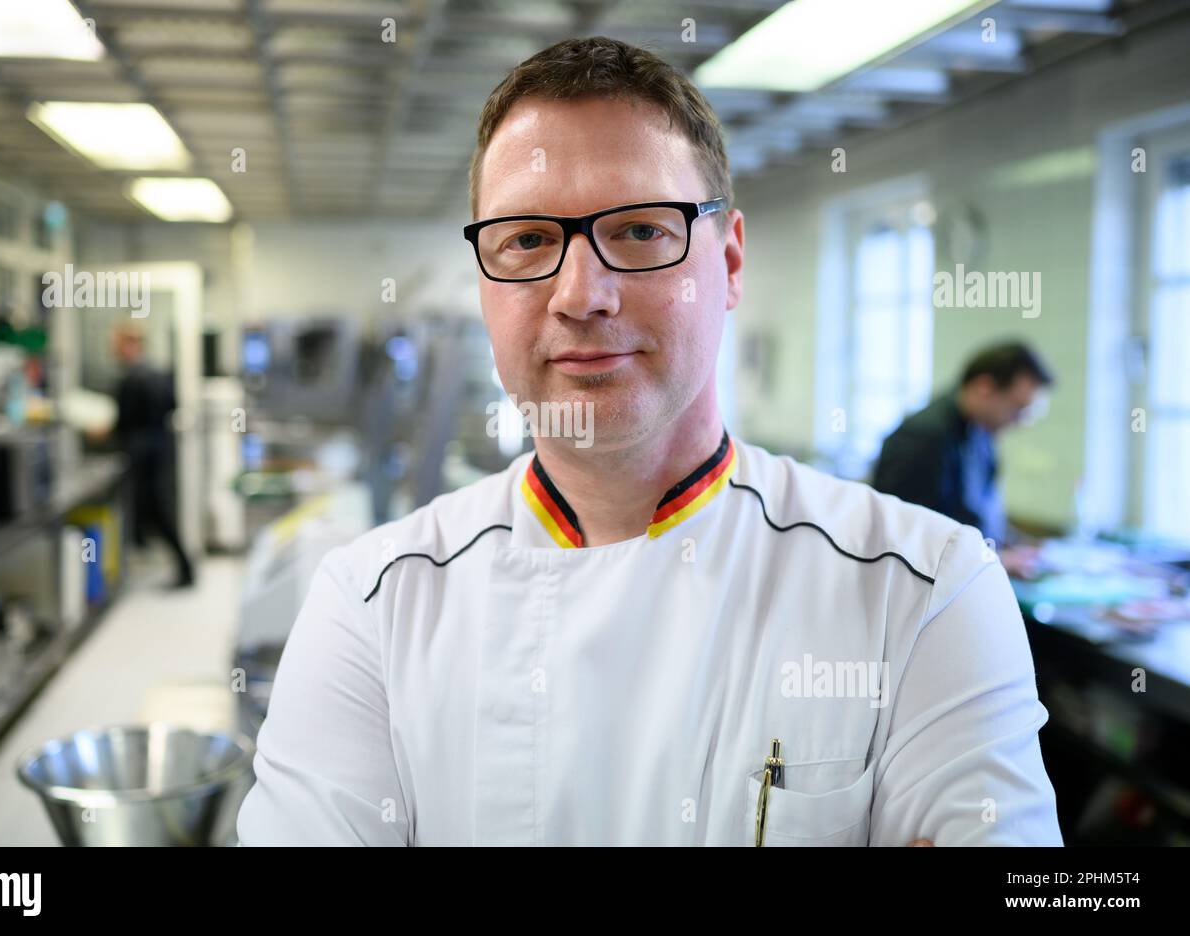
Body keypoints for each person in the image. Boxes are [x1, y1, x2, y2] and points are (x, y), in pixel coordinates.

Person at [237, 38, 1062, 846]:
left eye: (638, 230)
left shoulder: (921, 593)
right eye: (527, 239)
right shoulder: (372, 606)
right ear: (486, 281)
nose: (580, 294)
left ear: (729, 262)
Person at [873, 342, 1053, 547]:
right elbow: (907, 539)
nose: (1020, 422)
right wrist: (992, 557)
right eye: (1018, 409)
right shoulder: (922, 437)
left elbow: (982, 514)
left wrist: (1018, 545)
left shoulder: (981, 428)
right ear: (984, 387)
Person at [110, 323, 194, 588]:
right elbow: (172, 406)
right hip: (159, 451)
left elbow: (122, 423)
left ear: (131, 345)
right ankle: (183, 567)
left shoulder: (132, 379)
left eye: (119, 345)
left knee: (157, 513)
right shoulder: (157, 374)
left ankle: (186, 568)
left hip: (143, 456)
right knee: (157, 512)